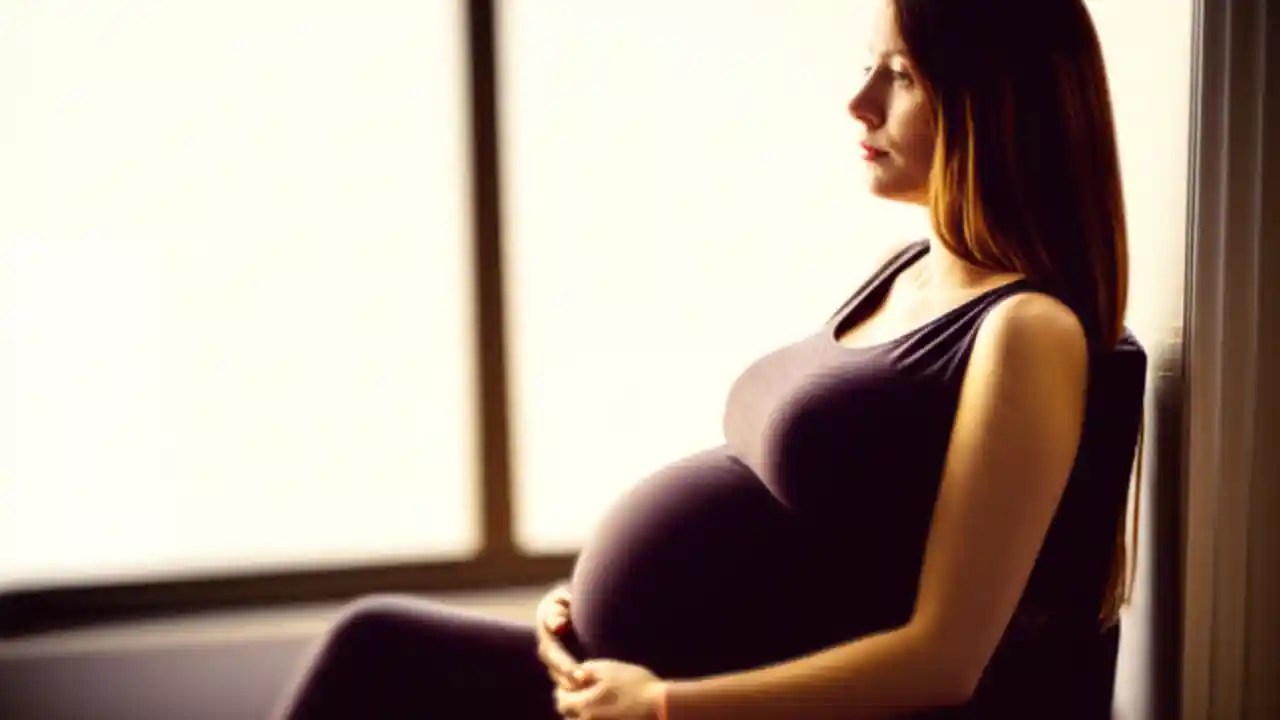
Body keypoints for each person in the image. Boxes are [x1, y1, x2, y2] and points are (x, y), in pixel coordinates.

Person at [270, 0, 1147, 717]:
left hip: (692, 707)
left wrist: (663, 705)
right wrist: (584, 613)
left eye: (904, 76)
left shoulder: (1027, 331)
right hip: (630, 680)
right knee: (375, 646)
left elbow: (944, 660)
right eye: (869, 65)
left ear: (996, 103)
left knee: (377, 659)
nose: (860, 102)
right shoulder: (908, 270)